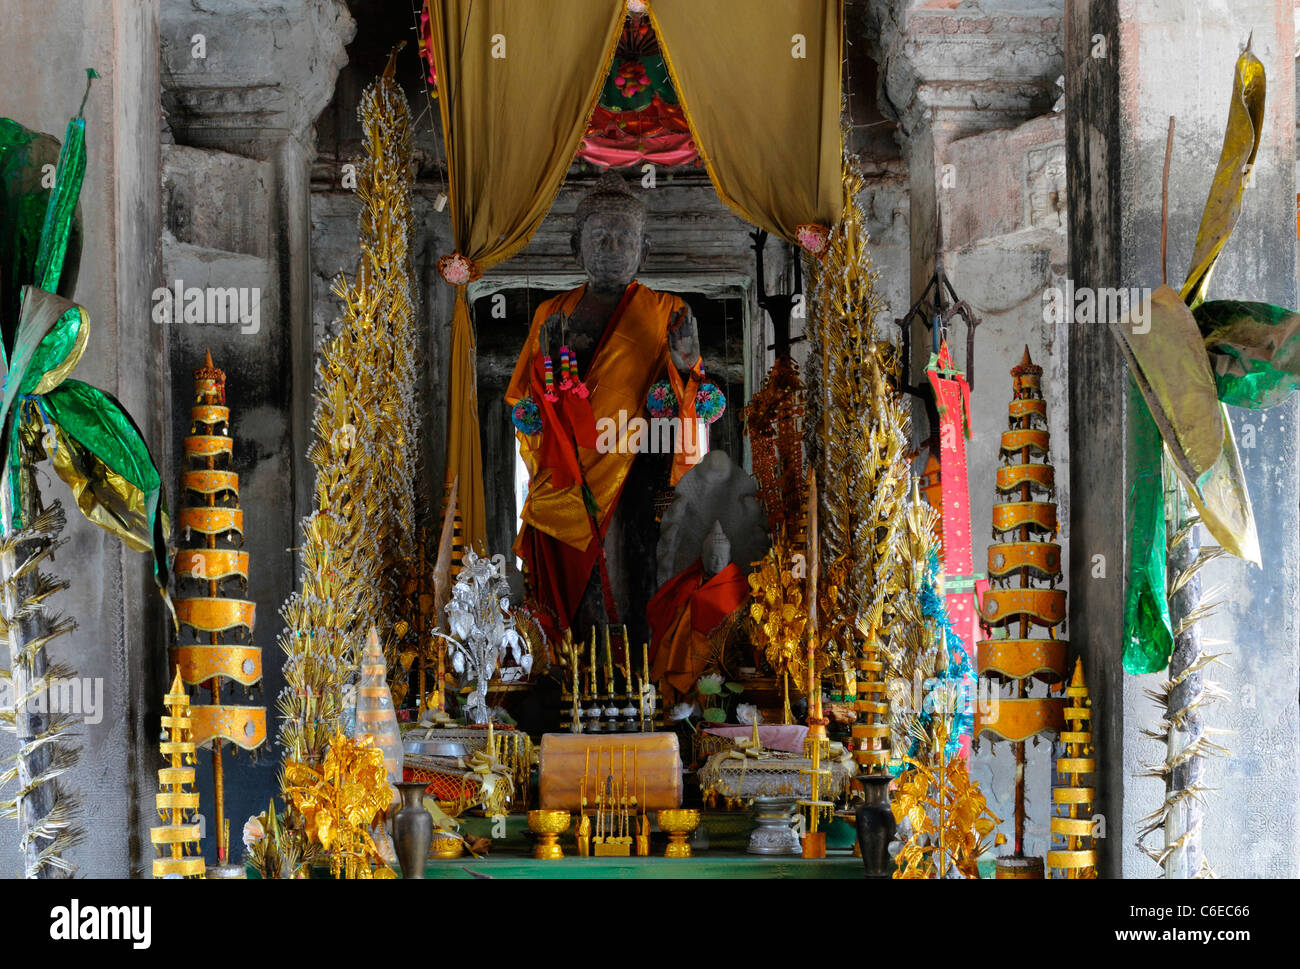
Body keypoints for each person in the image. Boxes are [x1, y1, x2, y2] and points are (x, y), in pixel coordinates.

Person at [506, 172, 702, 645]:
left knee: (639, 573)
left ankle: (639, 677)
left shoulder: (666, 310)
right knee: (585, 587)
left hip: (637, 470)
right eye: (600, 238)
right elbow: (525, 407)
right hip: (571, 471)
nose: (612, 248)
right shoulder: (552, 313)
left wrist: (686, 365)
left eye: (623, 238)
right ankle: (576, 674)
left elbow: (692, 406)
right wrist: (545, 380)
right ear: (577, 248)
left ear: (645, 250)